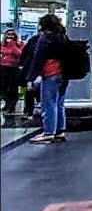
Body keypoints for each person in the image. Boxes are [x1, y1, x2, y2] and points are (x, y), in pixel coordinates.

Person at [24, 13, 68, 144]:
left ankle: (48, 133)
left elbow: (38, 59)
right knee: (59, 103)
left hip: (50, 73)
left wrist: (30, 78)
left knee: (48, 103)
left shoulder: (45, 39)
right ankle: (60, 131)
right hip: (64, 73)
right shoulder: (63, 37)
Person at [2, 29, 23, 115]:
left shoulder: (19, 44)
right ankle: (7, 103)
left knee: (12, 87)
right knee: (3, 87)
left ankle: (12, 105)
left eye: (12, 35)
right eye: (8, 34)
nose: (10, 36)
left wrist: (13, 45)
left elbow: (20, 54)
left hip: (13, 68)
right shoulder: (3, 44)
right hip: (3, 67)